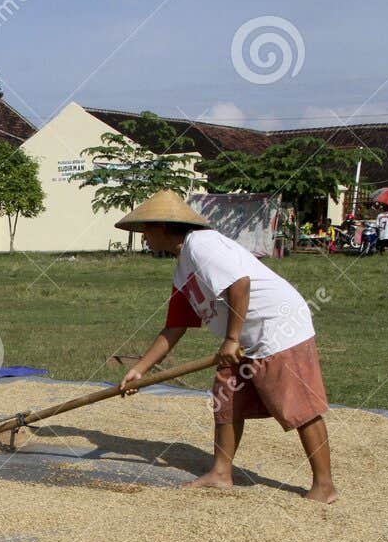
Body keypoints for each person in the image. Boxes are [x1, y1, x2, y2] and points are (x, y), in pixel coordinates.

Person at [115, 191, 337, 504]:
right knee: (227, 398)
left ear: (163, 227)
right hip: (243, 337)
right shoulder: (183, 269)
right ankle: (221, 472)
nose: (143, 239)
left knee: (297, 405)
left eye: (145, 231)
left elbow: (239, 283)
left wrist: (231, 339)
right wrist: (140, 369)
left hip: (276, 326)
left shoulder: (203, 244)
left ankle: (324, 485)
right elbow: (175, 327)